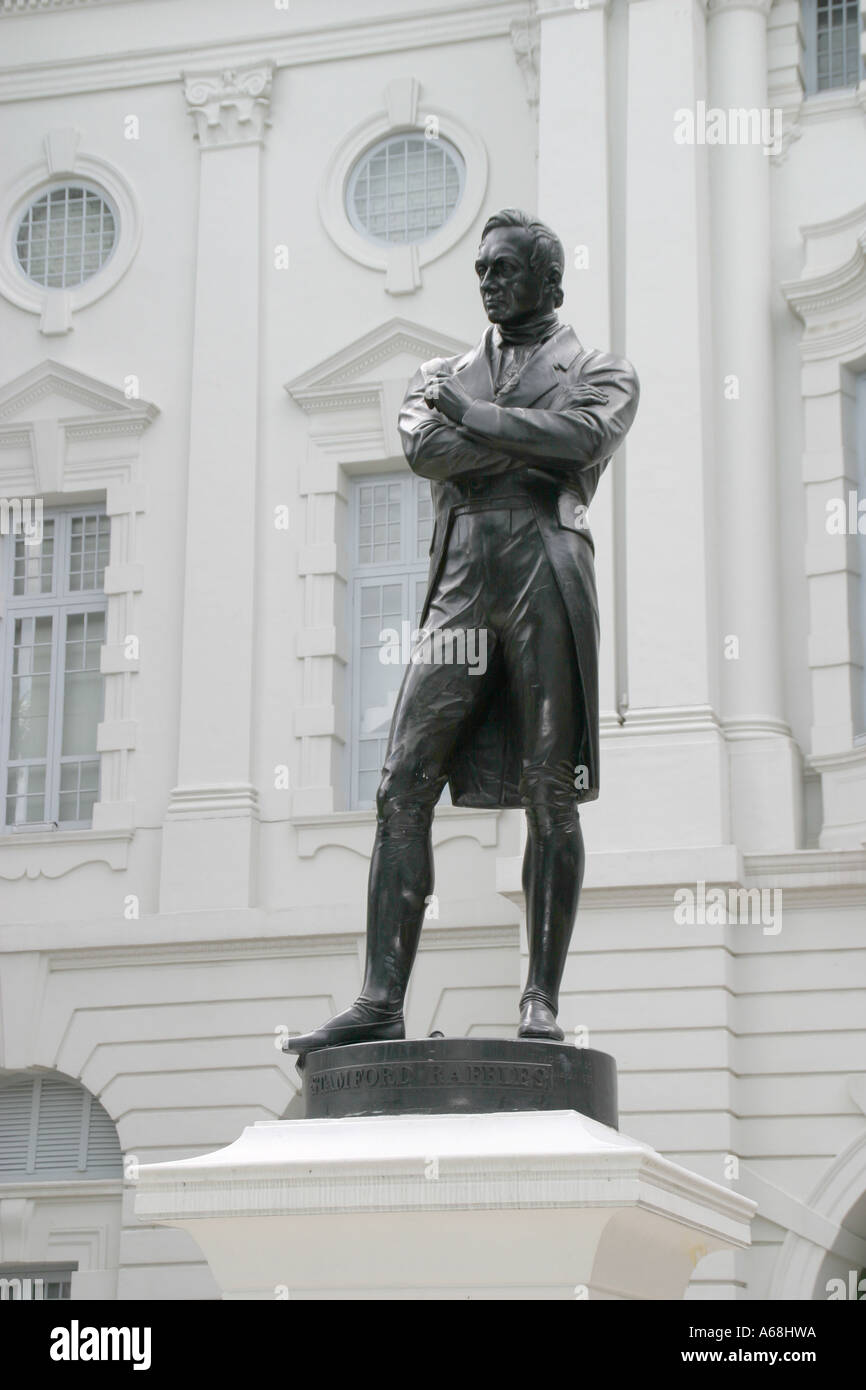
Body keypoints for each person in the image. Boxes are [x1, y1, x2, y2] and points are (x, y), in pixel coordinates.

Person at [288, 208, 639, 1056]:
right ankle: (380, 997)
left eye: (505, 268)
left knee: (551, 792)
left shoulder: (601, 370)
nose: (486, 281)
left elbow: (585, 436)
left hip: (544, 576)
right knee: (401, 782)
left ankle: (540, 1000)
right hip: (461, 580)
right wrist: (530, 448)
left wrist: (474, 420)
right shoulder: (439, 371)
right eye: (482, 268)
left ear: (549, 280)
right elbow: (424, 450)